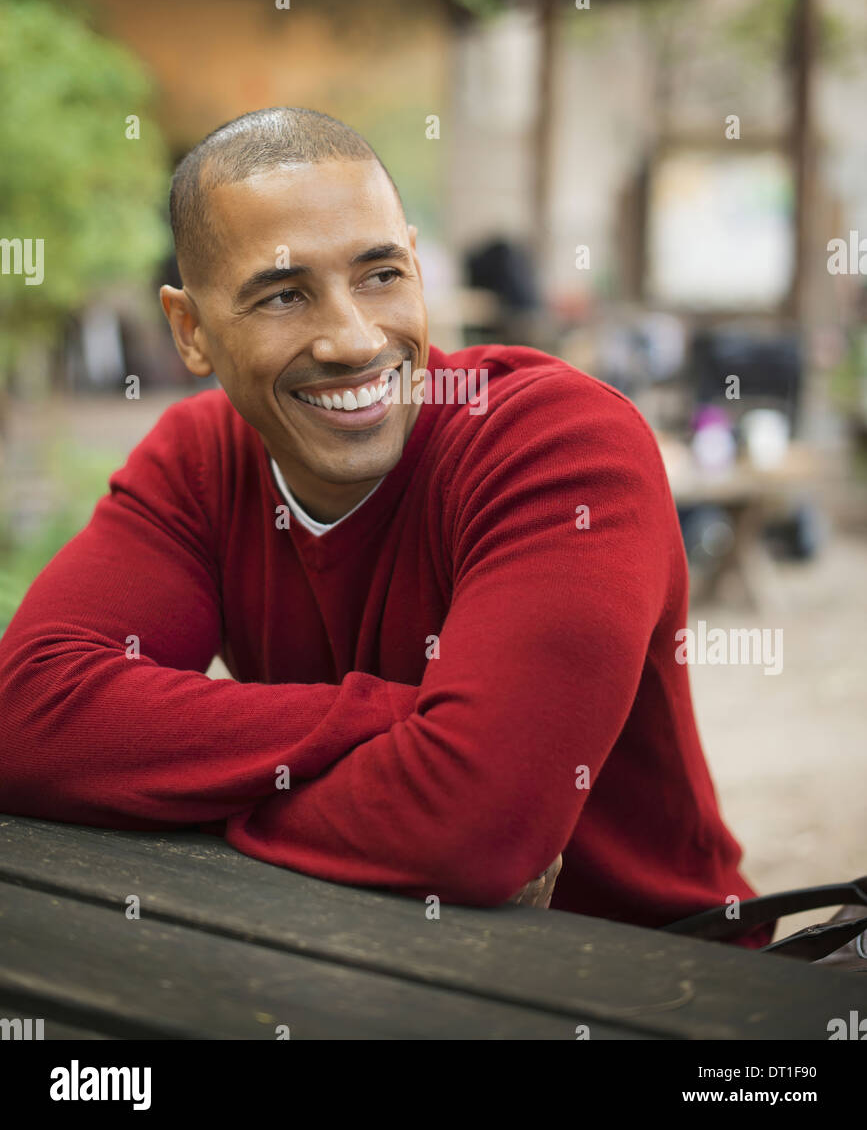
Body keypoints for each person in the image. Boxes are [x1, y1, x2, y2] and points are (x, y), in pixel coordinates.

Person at [0, 107, 771, 941]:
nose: (354, 340)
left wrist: (185, 795)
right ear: (190, 331)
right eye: (284, 294)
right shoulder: (199, 459)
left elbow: (478, 828)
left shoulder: (557, 443)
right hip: (344, 962)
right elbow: (27, 716)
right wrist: (407, 727)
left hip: (651, 983)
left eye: (380, 275)